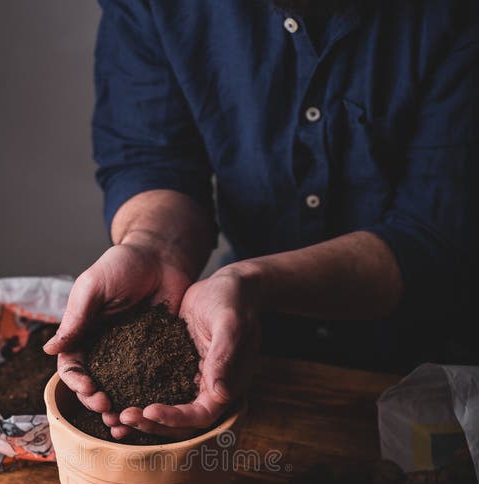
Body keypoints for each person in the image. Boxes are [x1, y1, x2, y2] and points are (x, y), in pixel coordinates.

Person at [44, 0, 478, 440]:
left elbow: (434, 233)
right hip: (246, 349)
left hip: (438, 368)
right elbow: (153, 158)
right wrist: (152, 248)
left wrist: (252, 283)